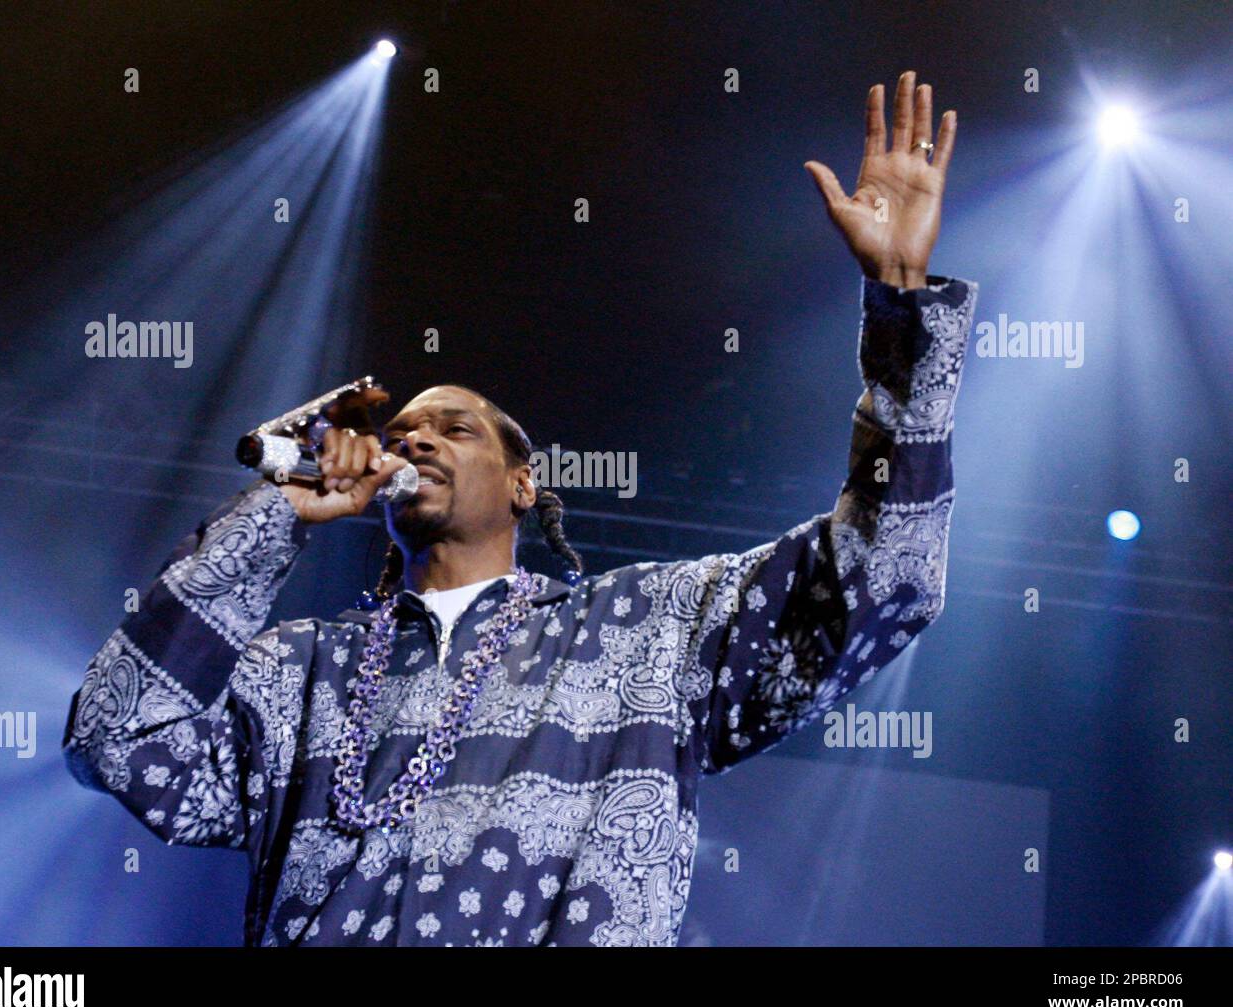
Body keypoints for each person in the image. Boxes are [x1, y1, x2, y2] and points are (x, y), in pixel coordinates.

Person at [63, 71, 978, 946]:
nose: (413, 440)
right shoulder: (303, 672)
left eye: (453, 428)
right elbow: (115, 739)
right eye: (405, 430)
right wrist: (272, 515)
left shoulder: (647, 633)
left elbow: (883, 581)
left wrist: (899, 310)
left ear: (522, 485)